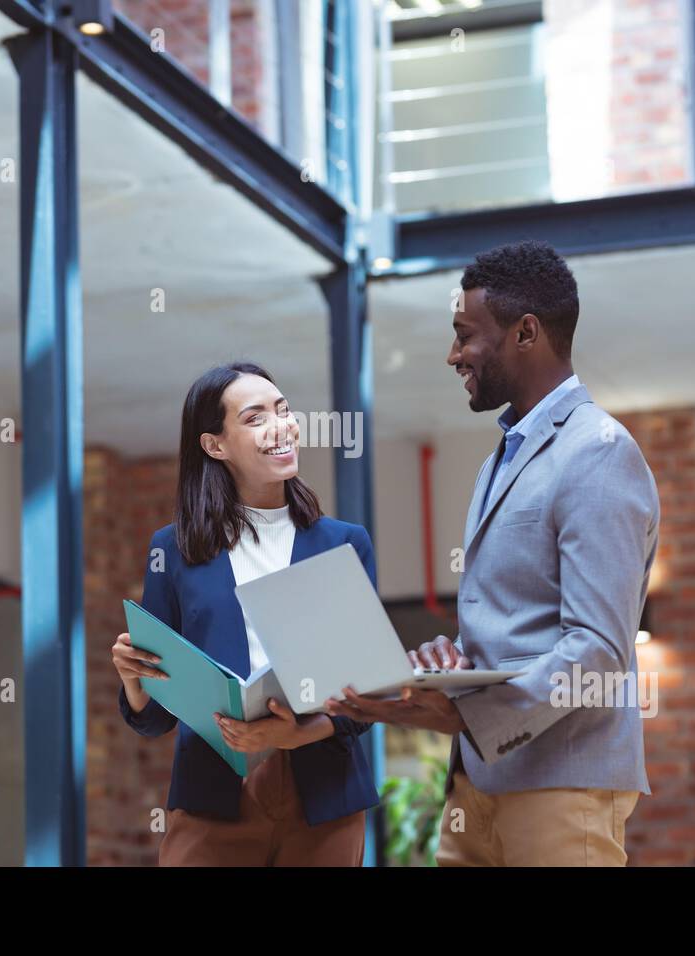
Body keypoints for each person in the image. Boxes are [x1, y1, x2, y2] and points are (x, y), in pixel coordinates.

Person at [325, 240, 658, 866]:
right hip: (474, 785)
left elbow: (599, 651)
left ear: (525, 333)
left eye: (465, 335)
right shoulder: (497, 461)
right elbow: (514, 628)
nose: (454, 355)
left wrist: (471, 717)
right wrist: (449, 665)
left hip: (560, 787)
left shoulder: (598, 452)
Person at [112, 361, 379, 866]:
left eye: (283, 410)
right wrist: (134, 681)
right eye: (255, 418)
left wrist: (293, 733)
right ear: (215, 445)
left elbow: (363, 696)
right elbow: (155, 720)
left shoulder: (342, 543)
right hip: (212, 792)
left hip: (324, 796)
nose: (281, 427)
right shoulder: (173, 551)